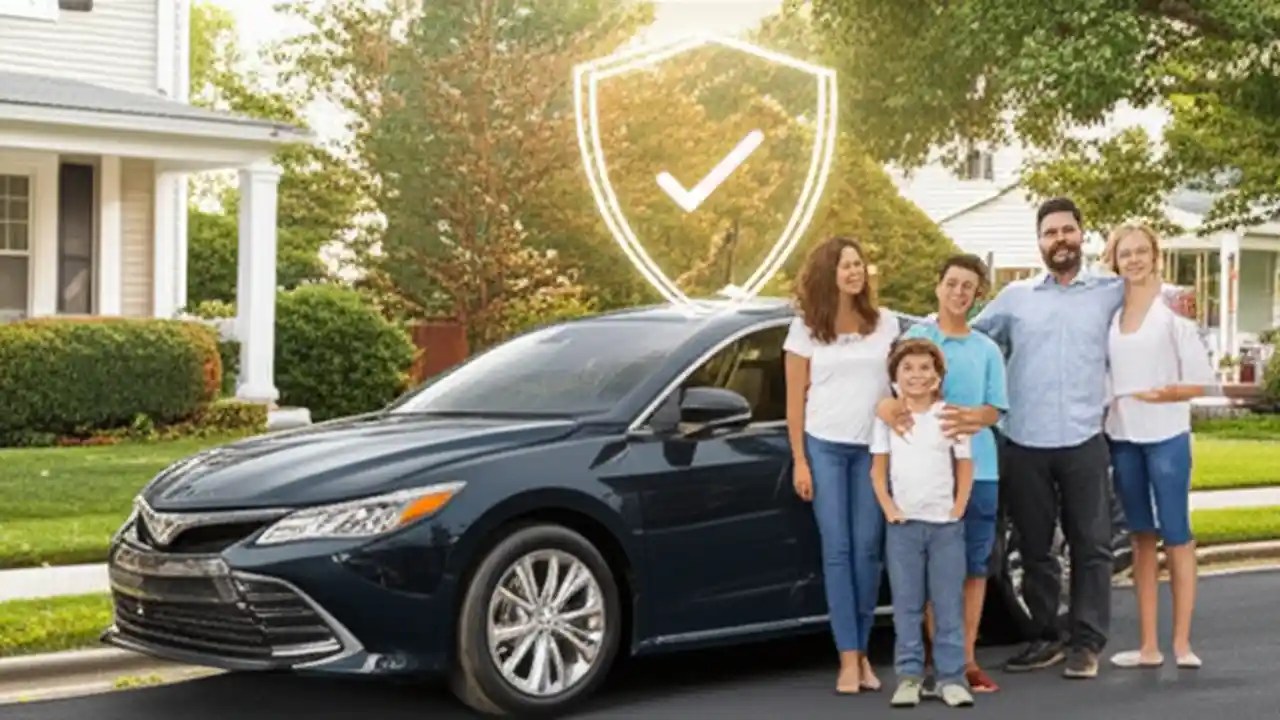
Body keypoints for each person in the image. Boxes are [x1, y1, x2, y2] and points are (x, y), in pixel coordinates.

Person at [955, 197, 1124, 679]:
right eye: (1050, 233)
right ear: (1040, 242)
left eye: (1067, 230)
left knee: (1091, 545)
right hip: (1025, 440)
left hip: (1083, 437)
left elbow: (1149, 301)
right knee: (1034, 548)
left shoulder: (1108, 292)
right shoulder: (1015, 298)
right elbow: (969, 336)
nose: (1060, 240)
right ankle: (1047, 635)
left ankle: (1086, 643)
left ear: (1081, 234)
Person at [875, 254, 1009, 693]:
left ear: (977, 295)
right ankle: (931, 662)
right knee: (927, 573)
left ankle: (965, 661)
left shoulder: (985, 349)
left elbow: (996, 409)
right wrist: (886, 408)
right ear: (938, 286)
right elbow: (888, 395)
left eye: (968, 287)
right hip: (921, 476)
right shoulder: (917, 339)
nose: (958, 292)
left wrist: (972, 417)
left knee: (971, 568)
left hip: (977, 470)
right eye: (952, 283)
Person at [1101, 223, 1229, 670]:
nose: (1133, 260)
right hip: (1124, 438)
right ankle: (1149, 646)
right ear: (1114, 259)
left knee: (1176, 534)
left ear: (1155, 255)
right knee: (1140, 537)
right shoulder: (1112, 311)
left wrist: (1165, 394)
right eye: (1124, 253)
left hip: (1167, 437)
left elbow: (1200, 380)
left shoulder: (1173, 305)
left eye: (1140, 252)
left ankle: (1182, 644)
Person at [783, 235, 900, 694]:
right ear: (827, 273)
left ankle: (865, 652)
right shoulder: (806, 329)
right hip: (825, 448)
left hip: (873, 449)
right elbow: (795, 402)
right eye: (845, 265)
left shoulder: (886, 323)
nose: (854, 272)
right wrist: (800, 461)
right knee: (839, 550)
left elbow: (903, 381)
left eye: (859, 264)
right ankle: (847, 659)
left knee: (869, 550)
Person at [871, 338, 976, 709]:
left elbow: (965, 463)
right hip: (903, 526)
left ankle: (951, 677)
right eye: (908, 369)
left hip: (944, 525)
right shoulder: (888, 419)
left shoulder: (950, 416)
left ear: (937, 376)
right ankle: (910, 676)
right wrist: (889, 507)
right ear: (896, 377)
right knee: (907, 604)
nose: (917, 376)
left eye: (924, 369)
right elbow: (878, 469)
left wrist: (959, 506)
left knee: (947, 603)